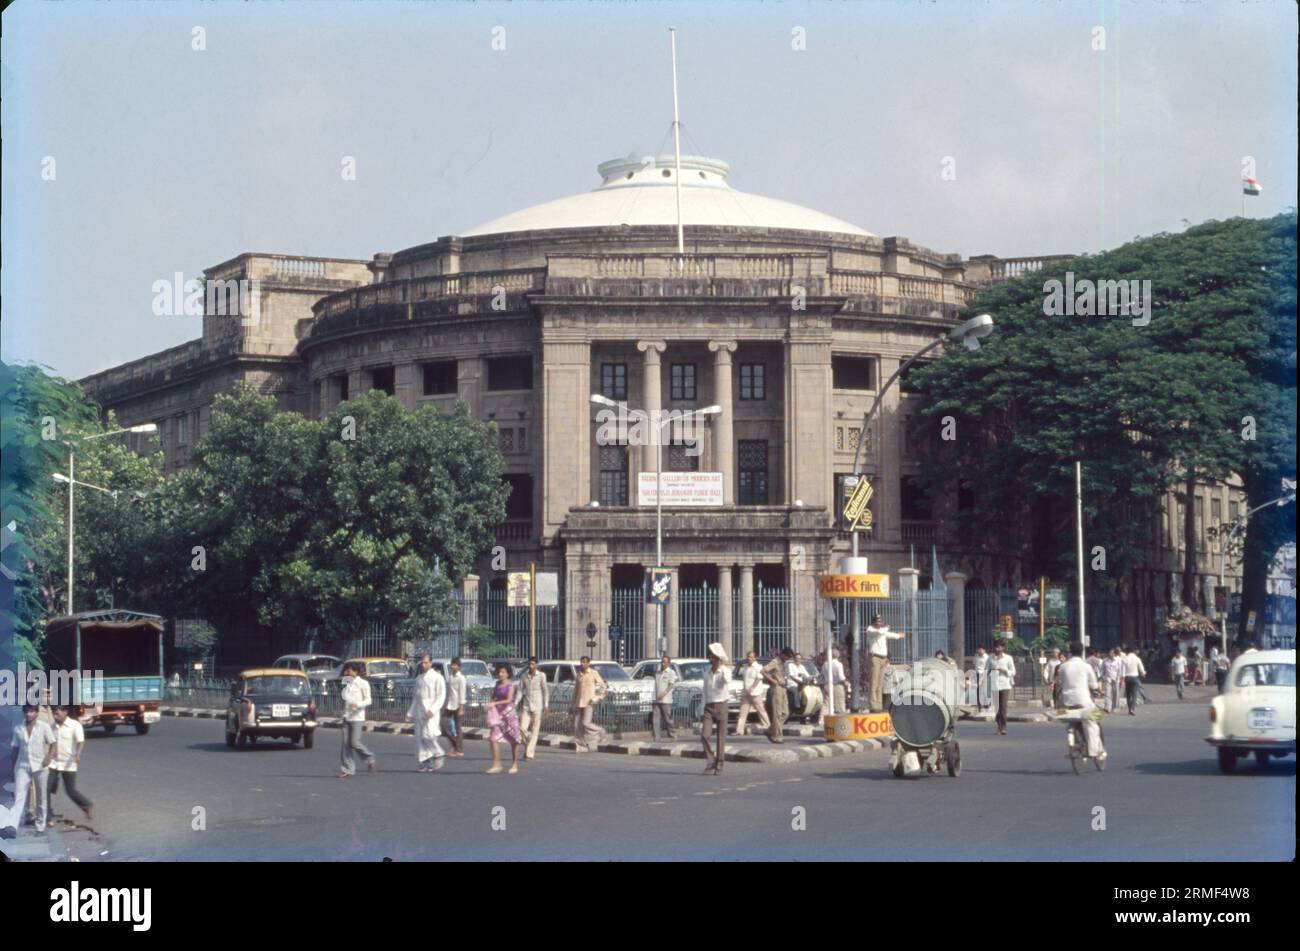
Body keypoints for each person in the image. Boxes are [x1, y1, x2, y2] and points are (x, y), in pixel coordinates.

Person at [9, 704, 56, 833]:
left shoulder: (44, 727)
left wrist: (49, 758)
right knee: (19, 795)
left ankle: (40, 824)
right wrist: (13, 768)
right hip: (23, 766)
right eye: (26, 712)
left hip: (40, 765)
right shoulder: (18, 729)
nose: (28, 714)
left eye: (31, 712)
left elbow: (53, 743)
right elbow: (14, 748)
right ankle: (14, 823)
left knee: (41, 797)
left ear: (36, 713)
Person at [1058, 642, 1105, 762]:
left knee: (1069, 722)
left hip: (1066, 703)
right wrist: (1097, 690)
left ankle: (1074, 740)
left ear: (1070, 651)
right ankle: (1096, 751)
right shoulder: (1086, 666)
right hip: (1083, 701)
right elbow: (1094, 685)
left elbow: (1060, 683)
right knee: (1094, 722)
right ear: (1082, 652)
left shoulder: (1063, 666)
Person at [48, 706, 94, 825]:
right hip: (54, 762)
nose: (55, 716)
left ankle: (87, 805)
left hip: (69, 762)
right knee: (46, 788)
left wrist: (78, 753)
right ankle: (48, 816)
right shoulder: (52, 726)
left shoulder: (74, 725)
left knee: (70, 790)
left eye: (57, 713)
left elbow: (80, 741)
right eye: (54, 713)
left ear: (65, 712)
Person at [405, 654, 446, 773]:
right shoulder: (419, 678)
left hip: (430, 710)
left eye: (426, 662)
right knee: (419, 737)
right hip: (419, 711)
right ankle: (425, 763)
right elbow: (416, 698)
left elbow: (441, 696)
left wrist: (433, 710)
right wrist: (410, 712)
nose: (424, 665)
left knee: (428, 735)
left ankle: (438, 753)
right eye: (422, 663)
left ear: (431, 663)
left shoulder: (438, 677)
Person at [338, 663, 375, 778]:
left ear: (355, 672)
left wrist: (358, 704)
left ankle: (369, 757)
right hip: (347, 716)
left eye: (348, 671)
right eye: (346, 671)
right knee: (345, 744)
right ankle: (348, 769)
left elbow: (369, 700)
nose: (346, 673)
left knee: (354, 742)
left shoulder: (363, 684)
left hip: (357, 717)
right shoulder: (347, 683)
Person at [484, 663, 521, 774]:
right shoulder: (497, 684)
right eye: (499, 672)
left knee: (514, 740)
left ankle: (514, 763)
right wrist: (490, 704)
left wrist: (495, 703)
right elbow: (493, 697)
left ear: (508, 674)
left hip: (509, 715)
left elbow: (509, 700)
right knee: (493, 738)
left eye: (503, 672)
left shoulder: (511, 685)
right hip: (498, 715)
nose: (500, 674)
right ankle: (497, 764)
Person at [865, 615, 907, 712]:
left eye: (881, 621)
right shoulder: (870, 629)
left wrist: (899, 636)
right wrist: (886, 627)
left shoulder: (882, 631)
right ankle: (873, 705)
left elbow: (889, 634)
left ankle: (878, 705)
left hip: (883, 658)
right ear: (874, 622)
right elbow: (880, 632)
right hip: (875, 657)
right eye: (878, 621)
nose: (879, 623)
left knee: (880, 683)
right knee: (874, 682)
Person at [701, 643, 731, 775]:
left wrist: (723, 665)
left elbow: (727, 681)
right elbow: (705, 691)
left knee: (721, 737)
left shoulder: (724, 671)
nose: (710, 658)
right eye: (710, 656)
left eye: (713, 656)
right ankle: (710, 760)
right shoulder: (707, 672)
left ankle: (719, 763)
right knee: (705, 735)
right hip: (709, 706)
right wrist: (702, 708)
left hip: (721, 705)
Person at [571, 656, 607, 753]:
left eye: (584, 662)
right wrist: (573, 703)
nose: (582, 664)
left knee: (586, 723)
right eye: (581, 662)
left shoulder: (593, 673)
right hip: (579, 702)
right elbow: (576, 690)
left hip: (589, 702)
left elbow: (602, 685)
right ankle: (581, 746)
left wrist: (599, 697)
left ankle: (600, 731)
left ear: (588, 663)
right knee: (577, 725)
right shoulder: (579, 674)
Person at [517, 656, 549, 759]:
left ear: (536, 665)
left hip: (538, 705)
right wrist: (515, 703)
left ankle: (529, 754)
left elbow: (545, 691)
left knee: (535, 730)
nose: (531, 666)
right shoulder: (524, 676)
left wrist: (546, 705)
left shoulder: (541, 676)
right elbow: (520, 691)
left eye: (532, 664)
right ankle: (528, 746)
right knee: (522, 728)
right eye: (529, 664)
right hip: (526, 705)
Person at [735, 650, 770, 735]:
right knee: (742, 713)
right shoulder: (746, 667)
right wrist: (746, 689)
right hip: (746, 693)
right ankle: (739, 730)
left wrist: (752, 688)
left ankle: (768, 726)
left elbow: (759, 678)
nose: (749, 658)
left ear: (755, 658)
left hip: (755, 692)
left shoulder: (758, 667)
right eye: (748, 657)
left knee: (761, 710)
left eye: (751, 657)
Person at [761, 647, 792, 743]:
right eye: (787, 656)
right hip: (777, 687)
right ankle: (777, 736)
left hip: (783, 688)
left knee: (785, 713)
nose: (788, 659)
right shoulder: (775, 661)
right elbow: (763, 671)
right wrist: (772, 680)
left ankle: (771, 729)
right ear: (783, 654)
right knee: (777, 713)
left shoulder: (784, 663)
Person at [989, 641, 1016, 735]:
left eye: (999, 647)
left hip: (1005, 684)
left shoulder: (1008, 658)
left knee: (1003, 707)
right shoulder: (991, 658)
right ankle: (998, 726)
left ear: (1003, 648)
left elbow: (1013, 671)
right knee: (997, 708)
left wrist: (1005, 671)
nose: (997, 649)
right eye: (996, 647)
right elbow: (986, 670)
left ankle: (1004, 727)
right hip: (994, 685)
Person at [441, 657, 467, 757]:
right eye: (452, 664)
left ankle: (459, 750)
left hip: (457, 704)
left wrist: (461, 707)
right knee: (443, 724)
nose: (453, 666)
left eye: (455, 665)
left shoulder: (461, 678)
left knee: (458, 727)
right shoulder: (450, 677)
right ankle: (455, 743)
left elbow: (462, 693)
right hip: (449, 704)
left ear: (459, 666)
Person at [651, 654, 678, 742]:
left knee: (667, 719)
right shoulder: (658, 673)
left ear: (669, 663)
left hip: (666, 700)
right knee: (655, 720)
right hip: (657, 699)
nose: (663, 664)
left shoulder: (671, 672)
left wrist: (664, 693)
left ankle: (672, 734)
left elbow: (671, 685)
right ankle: (656, 738)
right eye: (662, 662)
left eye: (665, 662)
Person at [821, 646, 848, 716]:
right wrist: (846, 682)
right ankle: (842, 719)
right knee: (840, 704)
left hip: (827, 685)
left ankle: (821, 720)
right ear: (837, 655)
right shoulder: (839, 664)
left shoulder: (825, 664)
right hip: (837, 685)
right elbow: (841, 677)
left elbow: (822, 676)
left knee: (826, 704)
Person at [1120, 645, 1146, 715]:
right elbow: (1141, 668)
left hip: (1127, 678)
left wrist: (1122, 680)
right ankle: (1133, 709)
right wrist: (1143, 673)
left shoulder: (1124, 659)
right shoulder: (1137, 658)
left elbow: (1123, 671)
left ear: (1126, 652)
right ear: (1132, 651)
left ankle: (1129, 709)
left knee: (1128, 695)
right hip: (1135, 678)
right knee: (1134, 694)